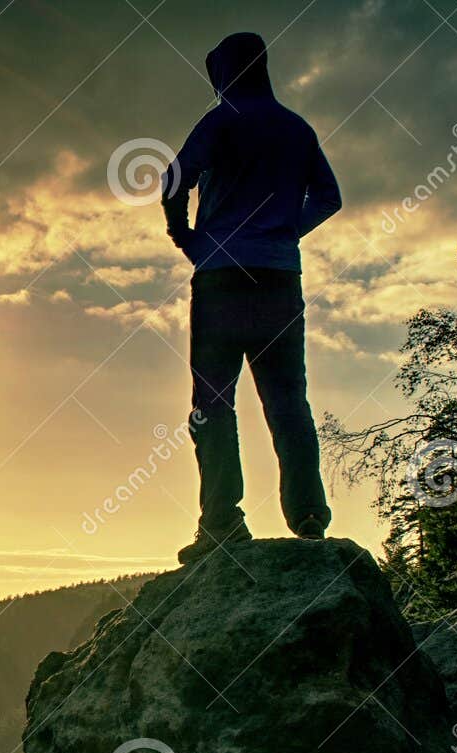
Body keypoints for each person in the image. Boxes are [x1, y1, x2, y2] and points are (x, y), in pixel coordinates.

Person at [161, 31, 342, 563]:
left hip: (220, 278)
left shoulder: (220, 121)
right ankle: (308, 516)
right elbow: (329, 198)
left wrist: (186, 238)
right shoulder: (296, 129)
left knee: (212, 405)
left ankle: (221, 523)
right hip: (279, 281)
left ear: (226, 73)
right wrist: (285, 231)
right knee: (288, 402)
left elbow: (175, 181)